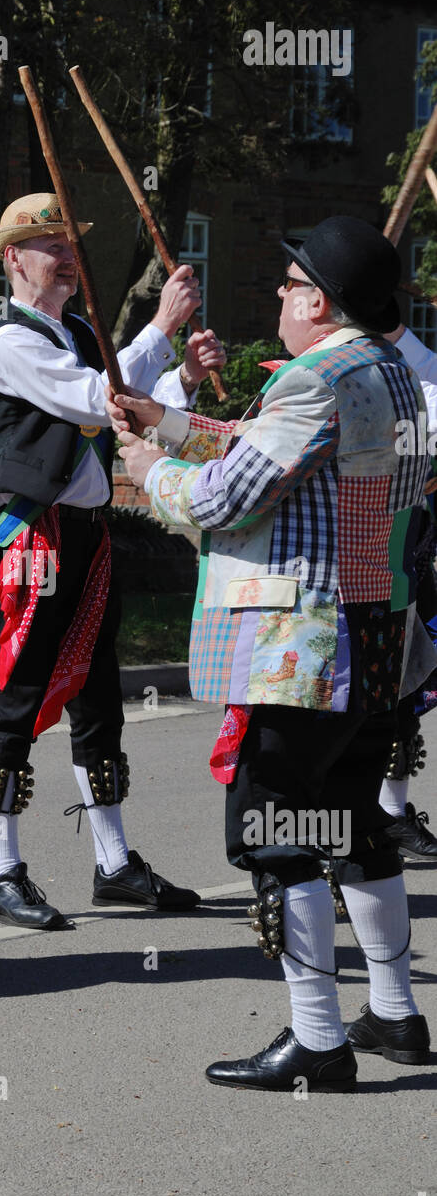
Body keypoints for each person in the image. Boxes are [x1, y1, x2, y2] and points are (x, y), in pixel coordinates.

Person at [112, 215, 432, 1090]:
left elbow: (225, 498)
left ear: (320, 302)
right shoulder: (393, 373)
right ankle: (398, 1015)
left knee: (274, 827)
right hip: (376, 638)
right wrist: (168, 422)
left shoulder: (314, 379)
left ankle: (318, 1039)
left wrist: (147, 467)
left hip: (305, 647)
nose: (283, 298)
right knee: (359, 822)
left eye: (292, 286)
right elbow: (266, 454)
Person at [0, 192, 225, 928]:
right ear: (14, 257)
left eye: (68, 241)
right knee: (18, 697)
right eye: (47, 242)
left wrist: (179, 372)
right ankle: (3, 872)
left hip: (86, 531)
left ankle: (114, 865)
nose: (63, 254)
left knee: (100, 699)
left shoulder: (77, 328)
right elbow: (95, 401)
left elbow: (128, 403)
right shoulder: (10, 342)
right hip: (32, 534)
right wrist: (160, 326)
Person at [375, 322, 437, 860]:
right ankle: (336, 836)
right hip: (346, 558)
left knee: (406, 690)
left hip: (405, 546)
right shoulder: (312, 375)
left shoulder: (408, 374)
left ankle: (390, 813)